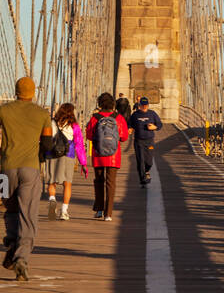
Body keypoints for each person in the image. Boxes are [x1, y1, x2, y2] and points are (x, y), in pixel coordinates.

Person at [0, 76, 53, 282]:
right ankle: (21, 257)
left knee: (8, 208)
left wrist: (1, 152)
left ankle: (11, 241)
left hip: (5, 170)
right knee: (28, 215)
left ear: (16, 91)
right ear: (33, 92)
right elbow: (47, 144)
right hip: (30, 170)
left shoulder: (2, 110)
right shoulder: (42, 114)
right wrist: (38, 158)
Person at [85, 93, 129, 221]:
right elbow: (124, 137)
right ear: (112, 104)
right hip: (113, 155)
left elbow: (88, 135)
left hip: (98, 154)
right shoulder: (119, 118)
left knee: (99, 181)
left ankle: (99, 209)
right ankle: (108, 214)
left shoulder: (95, 118)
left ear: (99, 103)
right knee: (111, 183)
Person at [43, 102, 88, 220]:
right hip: (68, 155)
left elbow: (44, 138)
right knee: (67, 184)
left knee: (51, 182)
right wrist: (83, 163)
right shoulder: (74, 126)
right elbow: (79, 145)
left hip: (51, 154)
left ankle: (52, 199)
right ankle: (64, 211)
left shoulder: (51, 123)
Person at [127, 96, 163, 187]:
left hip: (149, 141)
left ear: (148, 105)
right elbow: (129, 125)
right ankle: (143, 179)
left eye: (146, 105)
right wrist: (130, 129)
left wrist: (153, 127)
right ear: (139, 105)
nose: (144, 107)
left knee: (149, 161)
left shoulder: (152, 114)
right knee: (140, 161)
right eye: (142, 105)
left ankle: (146, 171)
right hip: (139, 141)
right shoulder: (135, 115)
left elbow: (159, 125)